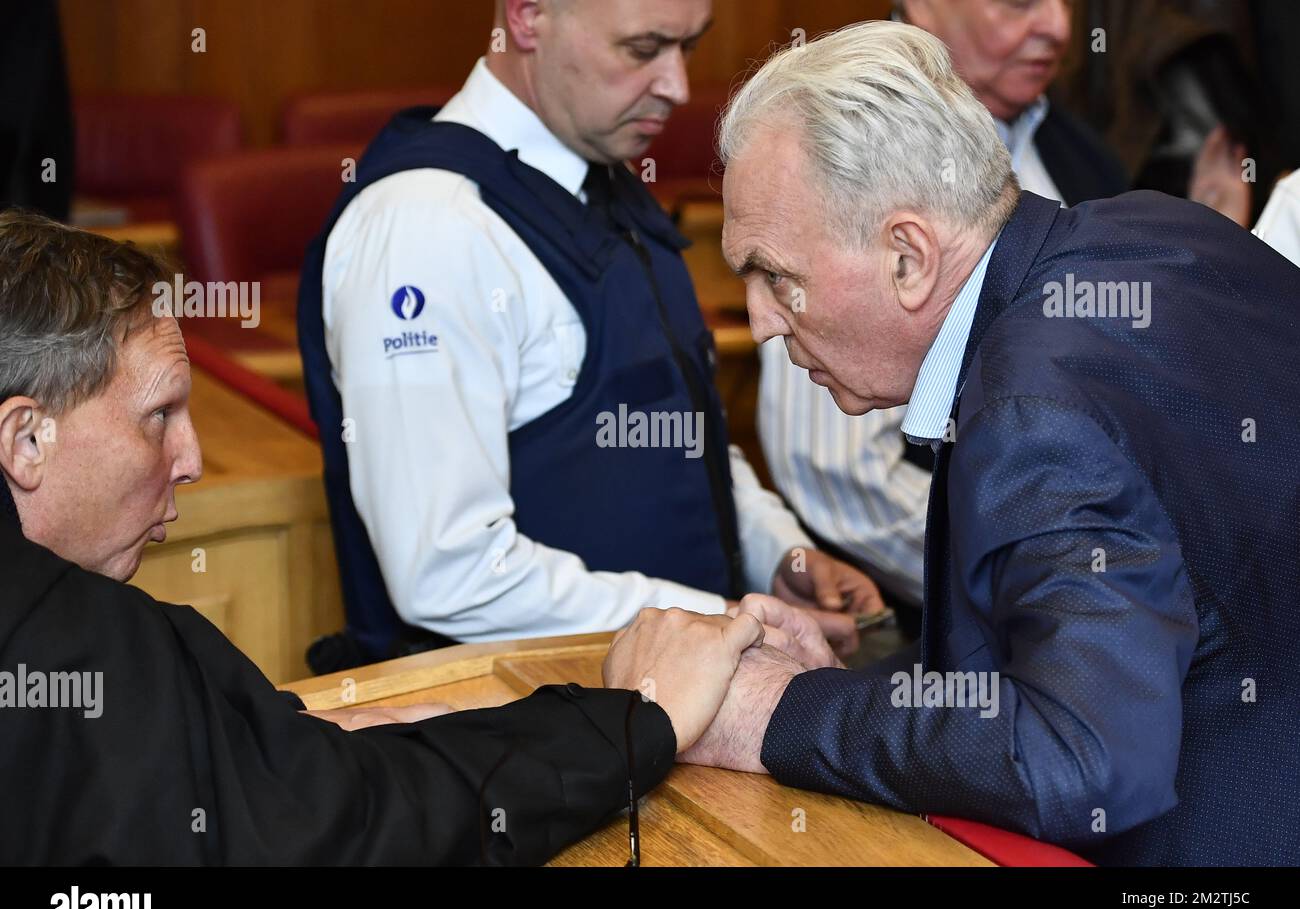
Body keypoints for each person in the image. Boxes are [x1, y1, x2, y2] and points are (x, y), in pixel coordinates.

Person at [605, 21, 1300, 866]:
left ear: (908, 256)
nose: (759, 322)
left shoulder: (1035, 408)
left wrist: (780, 713)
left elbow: (1082, 762)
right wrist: (839, 693)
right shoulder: (1158, 231)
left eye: (778, 276)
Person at [0, 209, 759, 865]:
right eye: (159, 416)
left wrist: (306, 740)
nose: (192, 461)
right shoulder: (81, 645)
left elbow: (275, 773)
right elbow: (342, 829)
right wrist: (627, 719)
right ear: (26, 440)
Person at [297, 0, 881, 668]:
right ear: (526, 17)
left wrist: (774, 550)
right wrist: (717, 620)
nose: (677, 87)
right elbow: (447, 573)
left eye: (687, 48)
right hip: (507, 732)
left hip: (655, 706)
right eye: (642, 49)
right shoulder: (427, 228)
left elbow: (675, 422)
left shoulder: (600, 177)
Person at [758, 0, 1129, 621]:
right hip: (920, 629)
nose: (1061, 27)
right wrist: (1029, 577)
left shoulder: (1079, 151)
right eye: (1020, 2)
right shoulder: (838, 131)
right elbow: (841, 470)